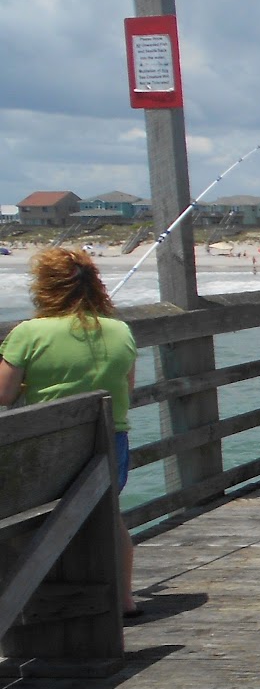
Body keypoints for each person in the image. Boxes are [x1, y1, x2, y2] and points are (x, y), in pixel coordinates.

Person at [0, 248, 141, 616]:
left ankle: (28, 598)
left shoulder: (28, 333)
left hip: (45, 452)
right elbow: (128, 388)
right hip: (110, 444)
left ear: (43, 288)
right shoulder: (120, 331)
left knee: (33, 517)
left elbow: (4, 393)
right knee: (109, 515)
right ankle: (125, 600)